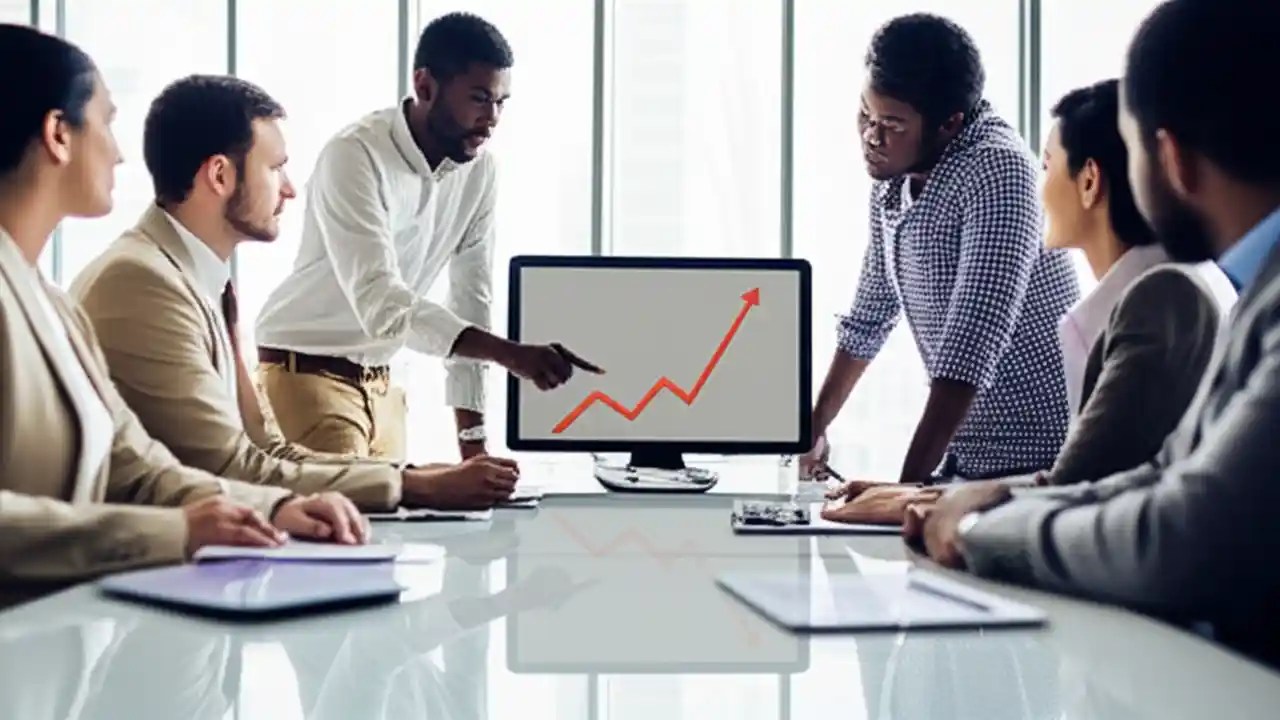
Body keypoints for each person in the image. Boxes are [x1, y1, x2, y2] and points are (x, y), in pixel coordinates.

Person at [909, 0, 1280, 668]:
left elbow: (1185, 534)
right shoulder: (1254, 288)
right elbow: (1165, 475)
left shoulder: (1185, 293)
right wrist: (990, 504)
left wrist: (980, 526)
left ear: (1170, 157)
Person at [0, 25, 364, 607]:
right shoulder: (128, 279)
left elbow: (137, 466)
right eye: (106, 123)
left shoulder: (51, 302)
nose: (120, 152)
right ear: (58, 134)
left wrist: (274, 508)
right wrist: (175, 532)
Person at [69, 74, 520, 512]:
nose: (288, 189)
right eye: (275, 168)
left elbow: (269, 450)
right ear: (220, 175)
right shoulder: (144, 285)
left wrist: (415, 473)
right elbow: (232, 468)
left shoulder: (195, 279)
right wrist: (412, 485)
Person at [252, 11, 600, 461]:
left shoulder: (479, 172)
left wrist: (473, 445)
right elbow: (382, 304)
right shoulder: (355, 155)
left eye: (501, 102)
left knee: (417, 506)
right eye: (479, 98)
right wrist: (511, 355)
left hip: (382, 384)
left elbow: (471, 300)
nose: (492, 118)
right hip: (305, 374)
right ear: (425, 86)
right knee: (356, 507)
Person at [803, 13, 1080, 487]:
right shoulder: (894, 175)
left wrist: (905, 492)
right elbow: (869, 317)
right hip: (966, 462)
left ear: (949, 123)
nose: (871, 137)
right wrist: (811, 430)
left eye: (892, 124)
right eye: (866, 115)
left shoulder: (999, 172)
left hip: (1039, 468)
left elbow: (968, 353)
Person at [1036, 78, 1236, 486]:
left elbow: (1079, 483)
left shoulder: (1161, 298)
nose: (1039, 191)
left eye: (1046, 166)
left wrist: (940, 503)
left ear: (1089, 180)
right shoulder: (1184, 277)